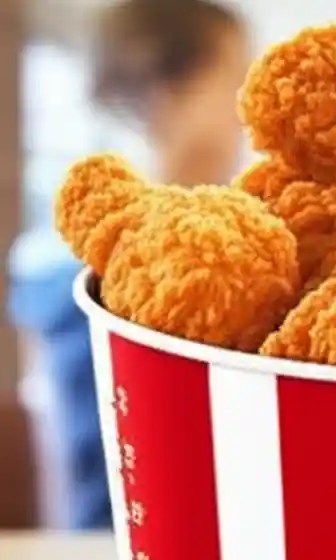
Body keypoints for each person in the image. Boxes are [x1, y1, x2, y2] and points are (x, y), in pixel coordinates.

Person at [6, 0, 249, 528]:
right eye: (233, 81)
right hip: (114, 540)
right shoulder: (70, 262)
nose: (245, 115)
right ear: (169, 93)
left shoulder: (46, 259)